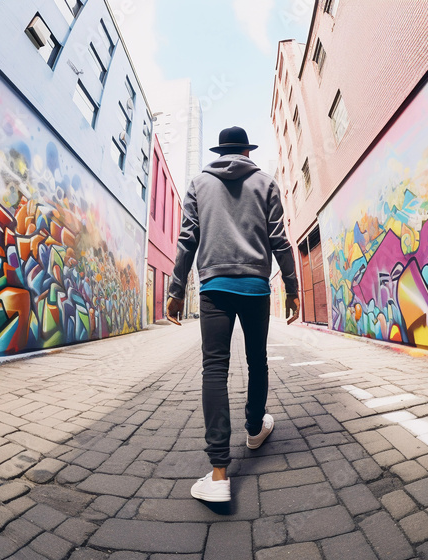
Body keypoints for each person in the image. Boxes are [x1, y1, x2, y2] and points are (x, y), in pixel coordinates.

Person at [166, 126, 300, 502]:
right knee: (257, 362)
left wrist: (176, 291)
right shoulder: (266, 183)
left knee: (215, 369)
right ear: (246, 151)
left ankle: (220, 472)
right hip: (256, 288)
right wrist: (292, 288)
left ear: (221, 151)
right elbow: (279, 240)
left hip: (214, 290)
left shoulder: (198, 183)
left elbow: (187, 240)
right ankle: (255, 429)